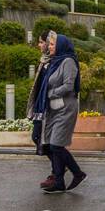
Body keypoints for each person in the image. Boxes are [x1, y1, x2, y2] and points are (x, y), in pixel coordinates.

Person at [38, 33, 86, 194]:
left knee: (56, 145)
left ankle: (77, 173)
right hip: (53, 109)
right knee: (51, 145)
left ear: (60, 46)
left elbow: (69, 85)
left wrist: (51, 93)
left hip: (65, 108)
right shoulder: (54, 62)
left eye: (52, 44)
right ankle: (58, 181)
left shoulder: (68, 61)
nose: (49, 47)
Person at [26, 33, 53, 157]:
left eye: (42, 42)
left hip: (48, 105)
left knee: (44, 139)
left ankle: (59, 168)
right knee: (36, 136)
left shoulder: (55, 62)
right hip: (39, 103)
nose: (39, 45)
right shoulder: (43, 60)